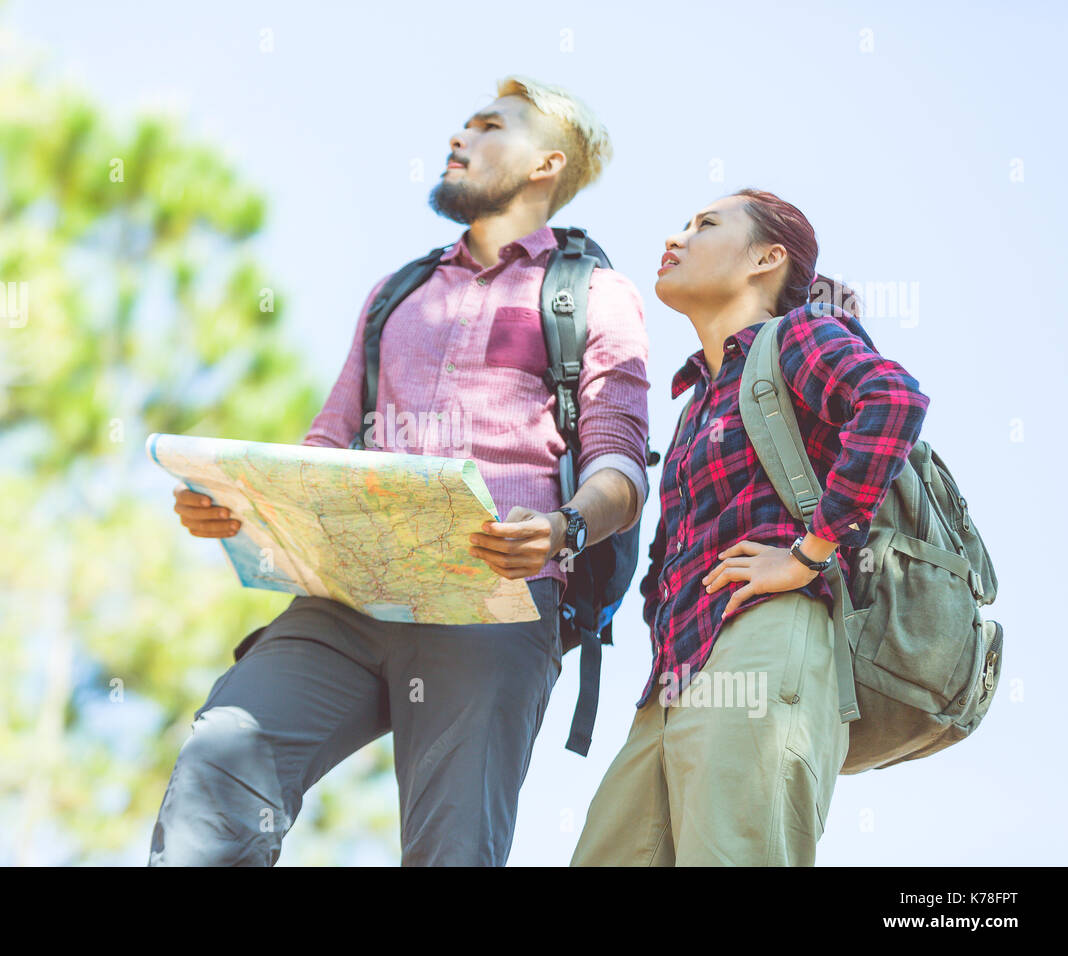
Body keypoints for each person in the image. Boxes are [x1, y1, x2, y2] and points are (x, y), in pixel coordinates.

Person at [149, 75, 651, 866]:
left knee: (453, 849)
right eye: (462, 125)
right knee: (221, 761)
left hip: (493, 605)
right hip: (346, 594)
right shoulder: (398, 292)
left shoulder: (594, 293)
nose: (460, 137)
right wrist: (245, 505)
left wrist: (565, 528)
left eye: (489, 127)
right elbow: (326, 442)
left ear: (546, 164)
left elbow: (619, 456)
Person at [570, 189, 930, 866]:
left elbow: (893, 401)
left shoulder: (796, 336)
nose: (676, 237)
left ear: (767, 259)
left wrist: (808, 553)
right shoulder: (695, 403)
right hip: (673, 677)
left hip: (766, 635)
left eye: (705, 225)